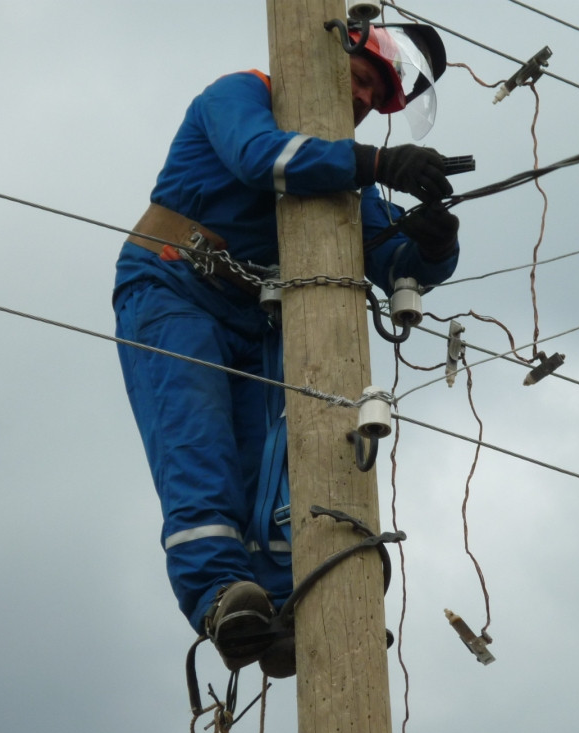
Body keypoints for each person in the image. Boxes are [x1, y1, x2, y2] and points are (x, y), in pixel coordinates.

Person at [113, 24, 459, 678]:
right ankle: (220, 596)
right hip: (172, 288)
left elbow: (394, 258)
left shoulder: (347, 183)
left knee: (276, 462)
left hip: (257, 320)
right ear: (329, 58)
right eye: (359, 79)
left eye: (373, 97)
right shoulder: (242, 95)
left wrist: (437, 240)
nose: (359, 100)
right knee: (195, 439)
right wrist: (379, 166)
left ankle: (279, 607)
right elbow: (261, 158)